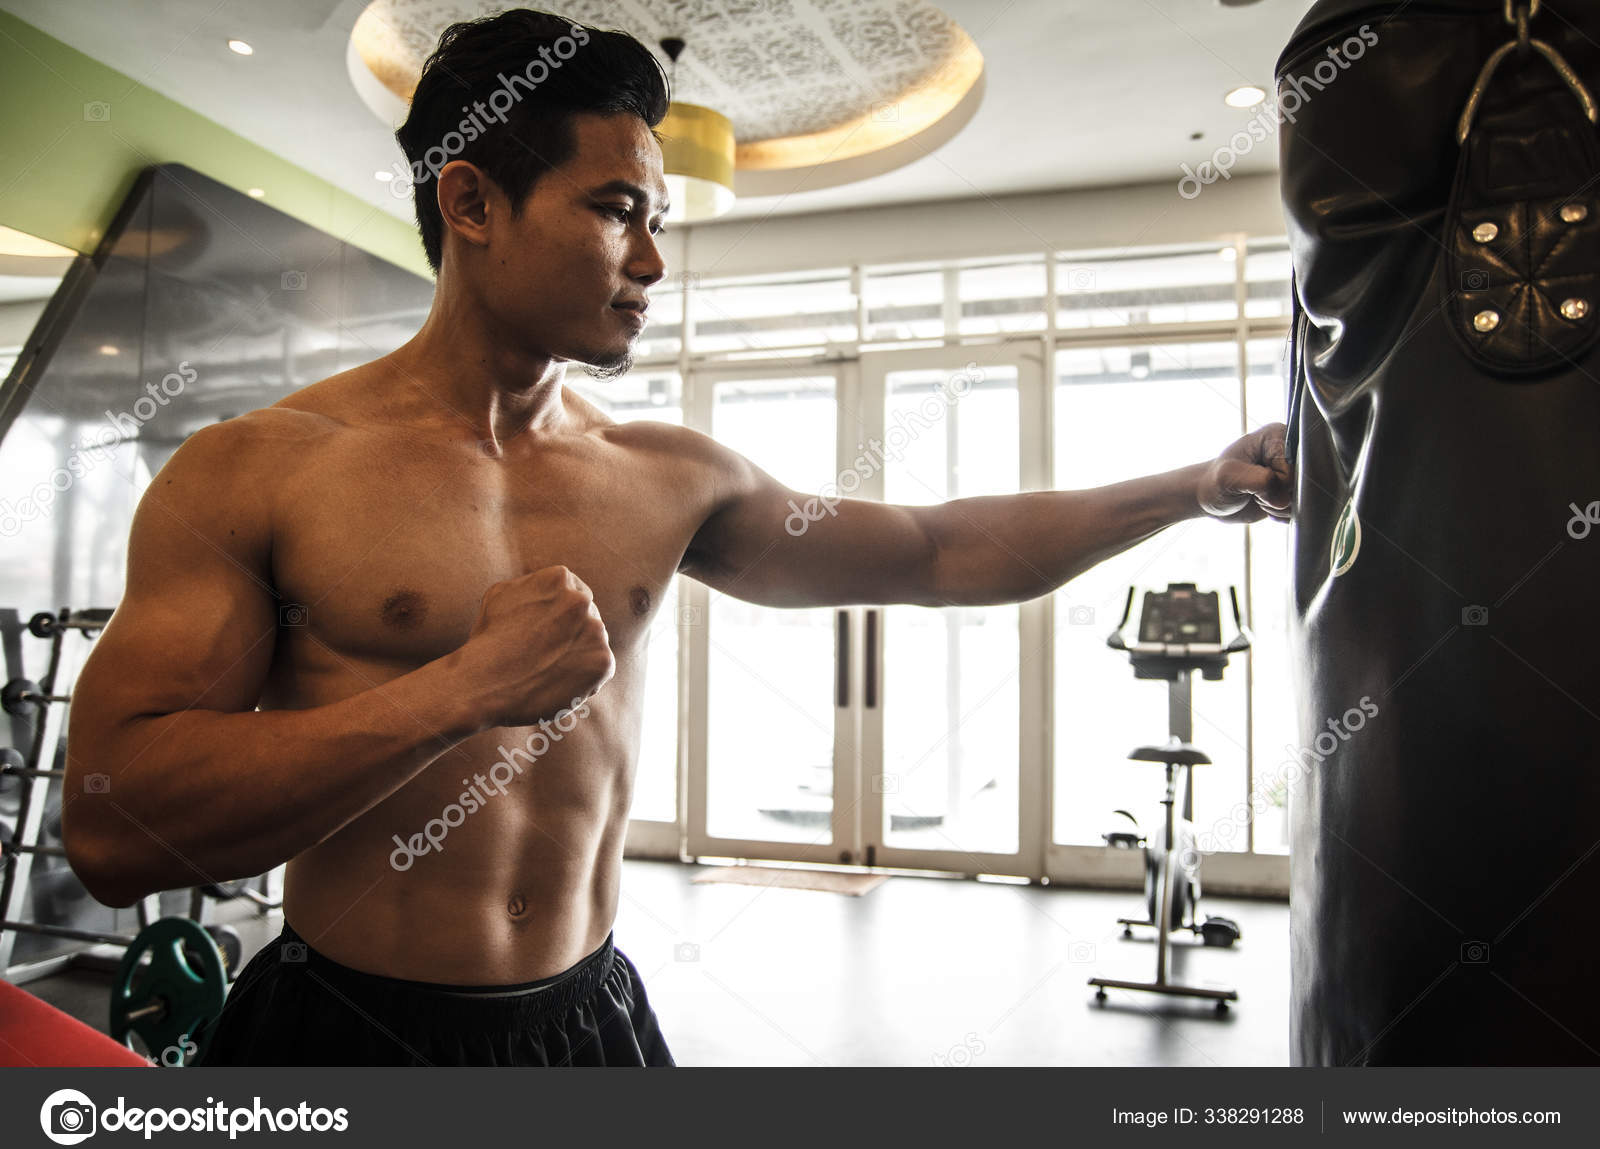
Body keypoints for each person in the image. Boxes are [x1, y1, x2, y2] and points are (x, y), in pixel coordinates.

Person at [61, 9, 1291, 1066]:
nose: (652, 261)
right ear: (471, 200)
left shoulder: (663, 474)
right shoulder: (259, 468)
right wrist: (458, 694)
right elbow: (116, 830)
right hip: (346, 1028)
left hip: (589, 1019)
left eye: (656, 219)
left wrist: (1191, 486)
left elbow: (931, 548)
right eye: (614, 212)